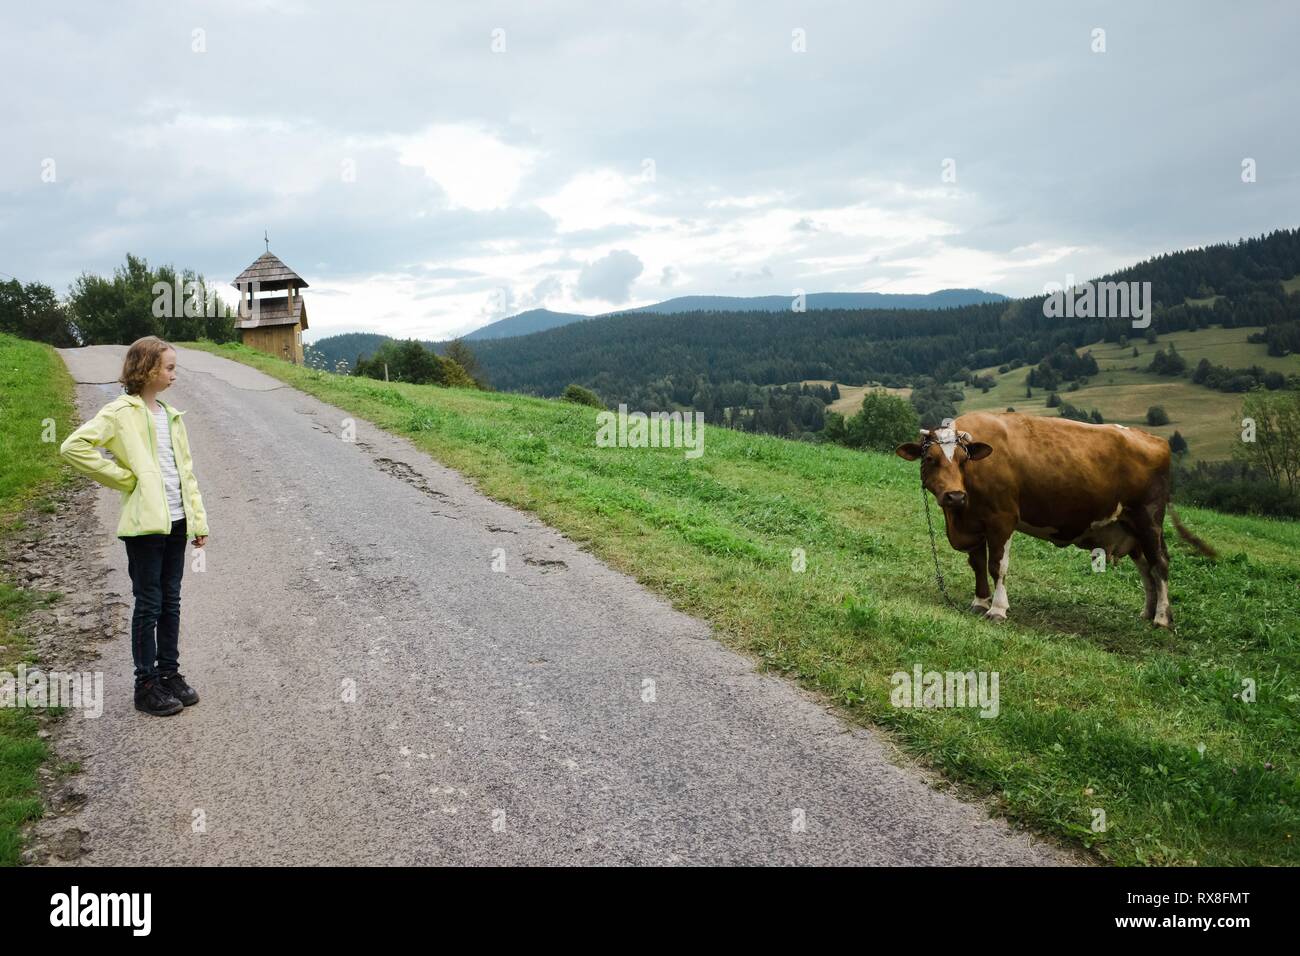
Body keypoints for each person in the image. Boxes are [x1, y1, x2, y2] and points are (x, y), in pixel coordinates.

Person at [60, 336, 210, 716]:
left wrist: (197, 520)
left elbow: (186, 474)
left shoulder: (171, 416)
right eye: (170, 367)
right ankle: (145, 685)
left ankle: (169, 674)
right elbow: (73, 447)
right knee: (149, 603)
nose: (175, 374)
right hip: (144, 527)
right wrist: (125, 480)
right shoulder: (118, 413)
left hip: (176, 522)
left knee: (171, 601)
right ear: (146, 369)